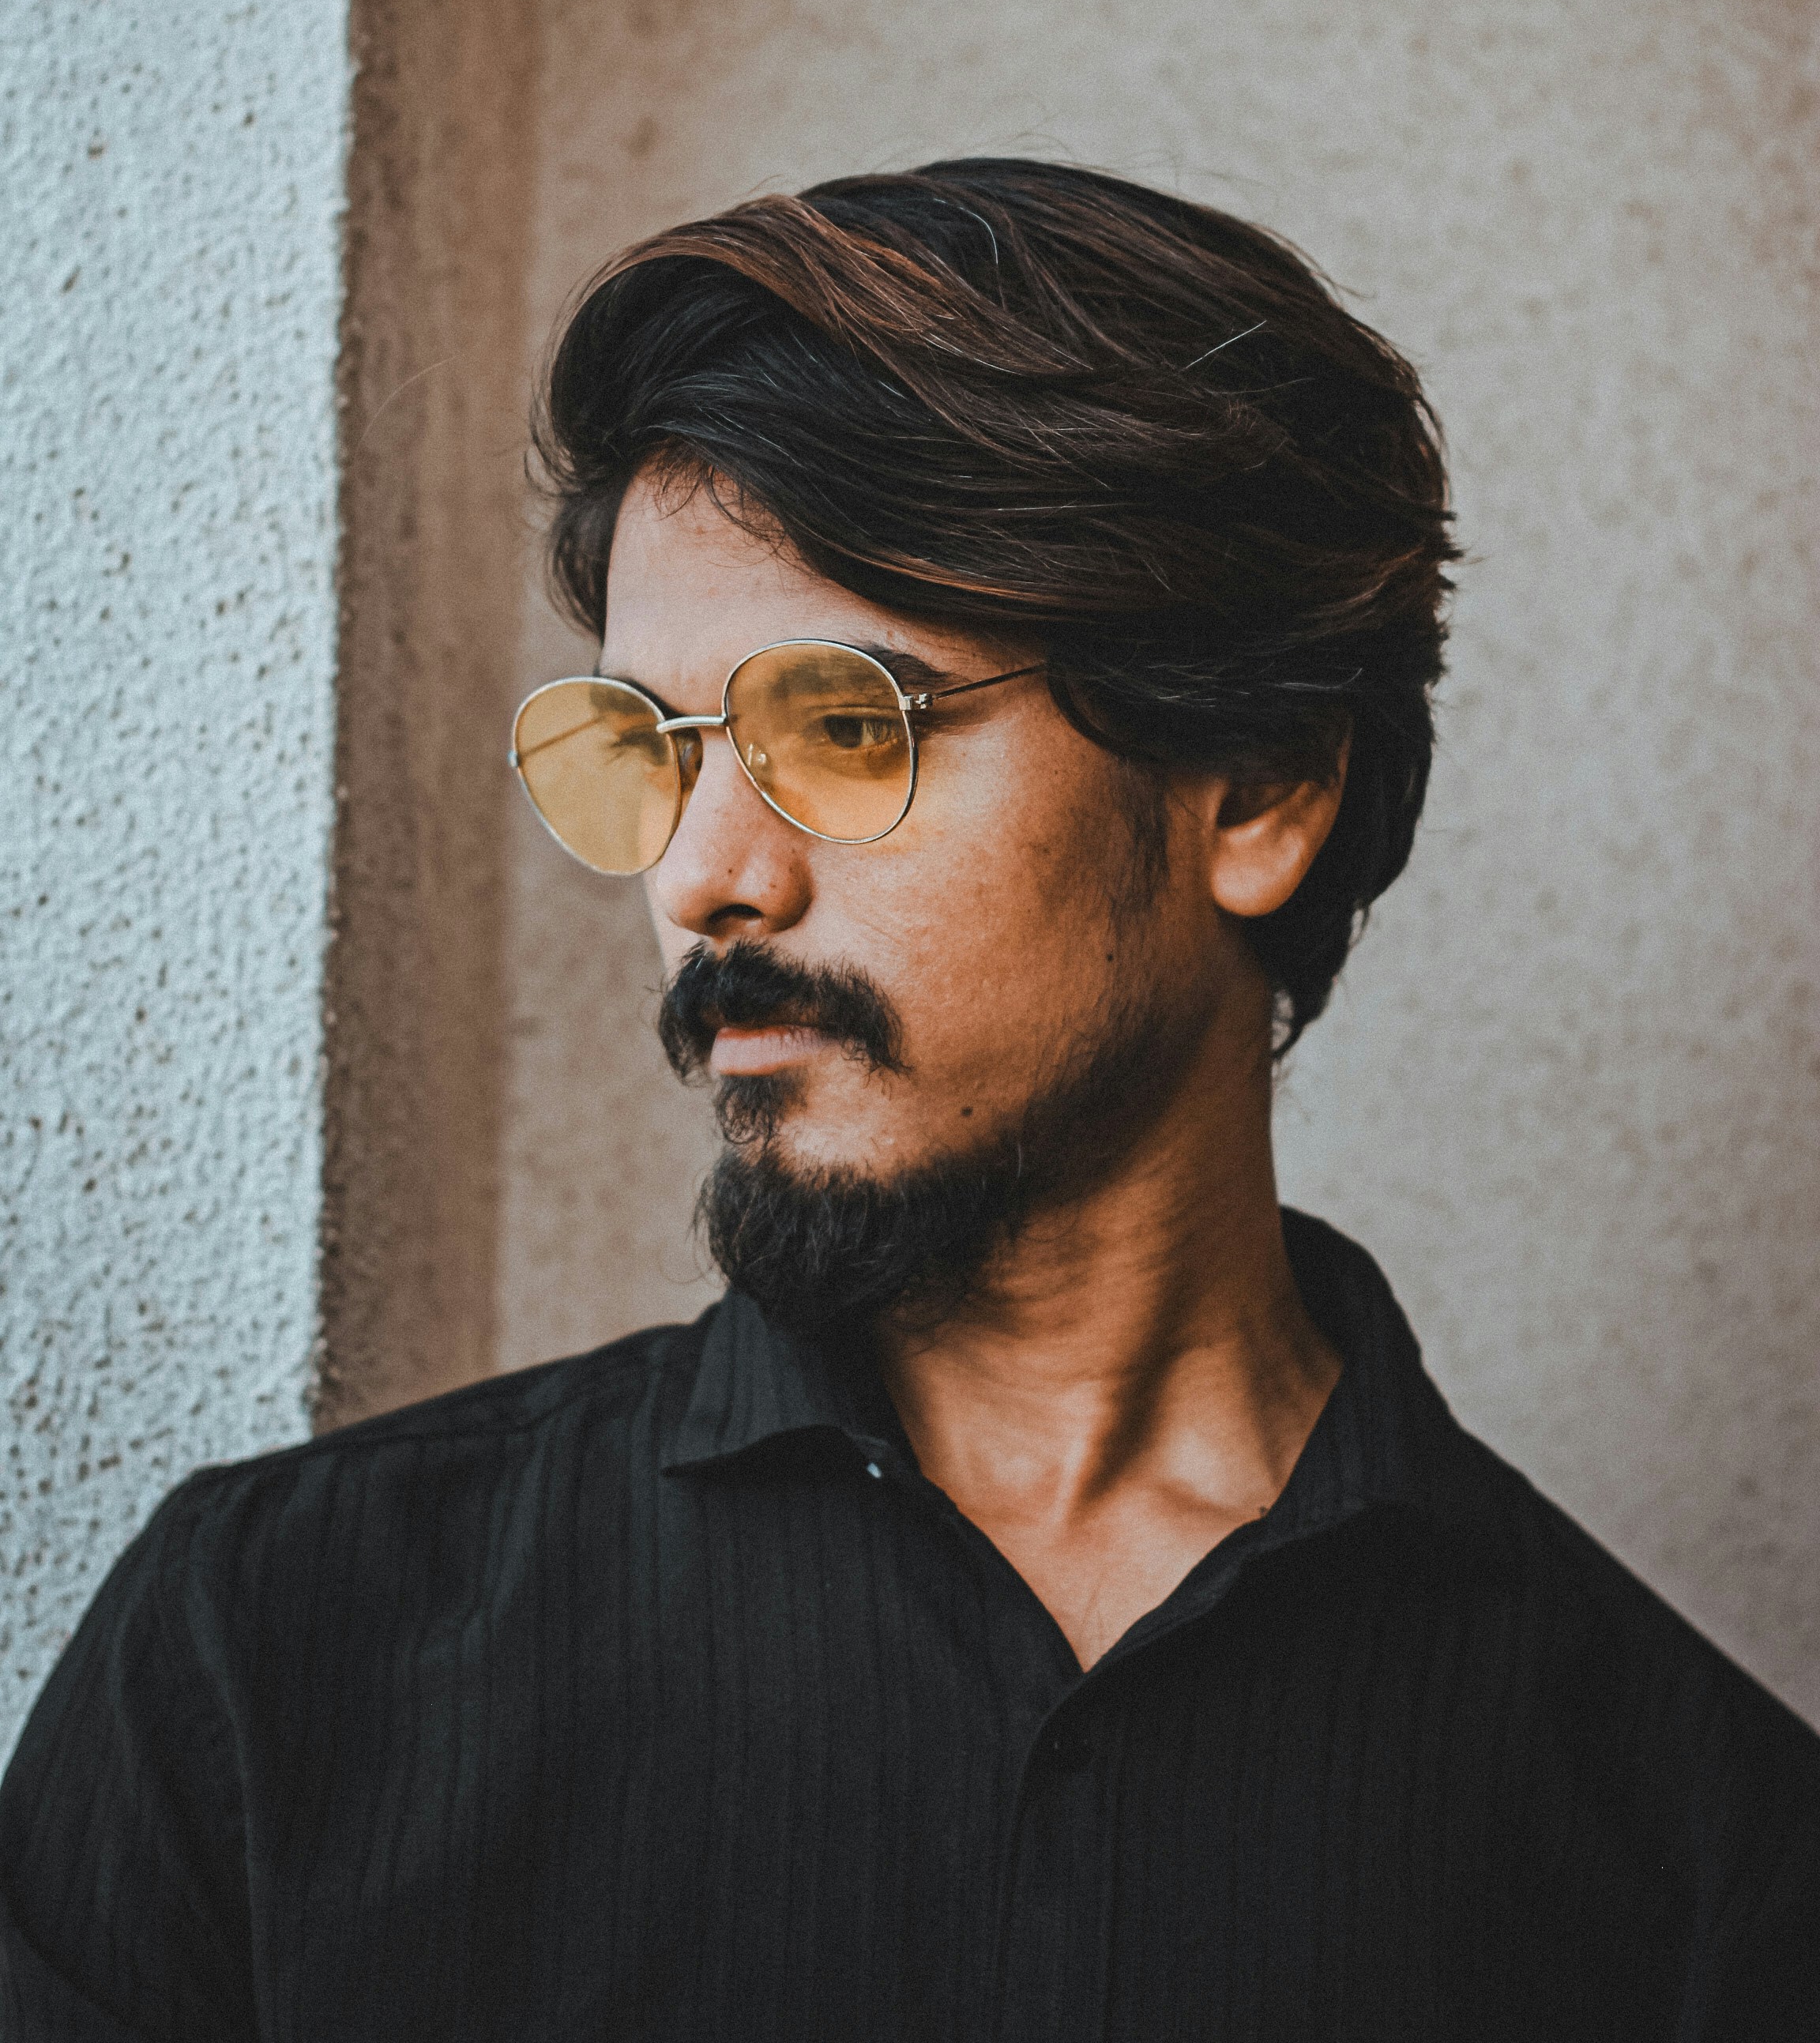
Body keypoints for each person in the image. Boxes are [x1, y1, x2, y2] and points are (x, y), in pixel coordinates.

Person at [2, 160, 1814, 2041]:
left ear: (1261, 786)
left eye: (846, 725)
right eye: (649, 749)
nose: (708, 875)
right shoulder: (270, 1650)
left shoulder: (1692, 1867)